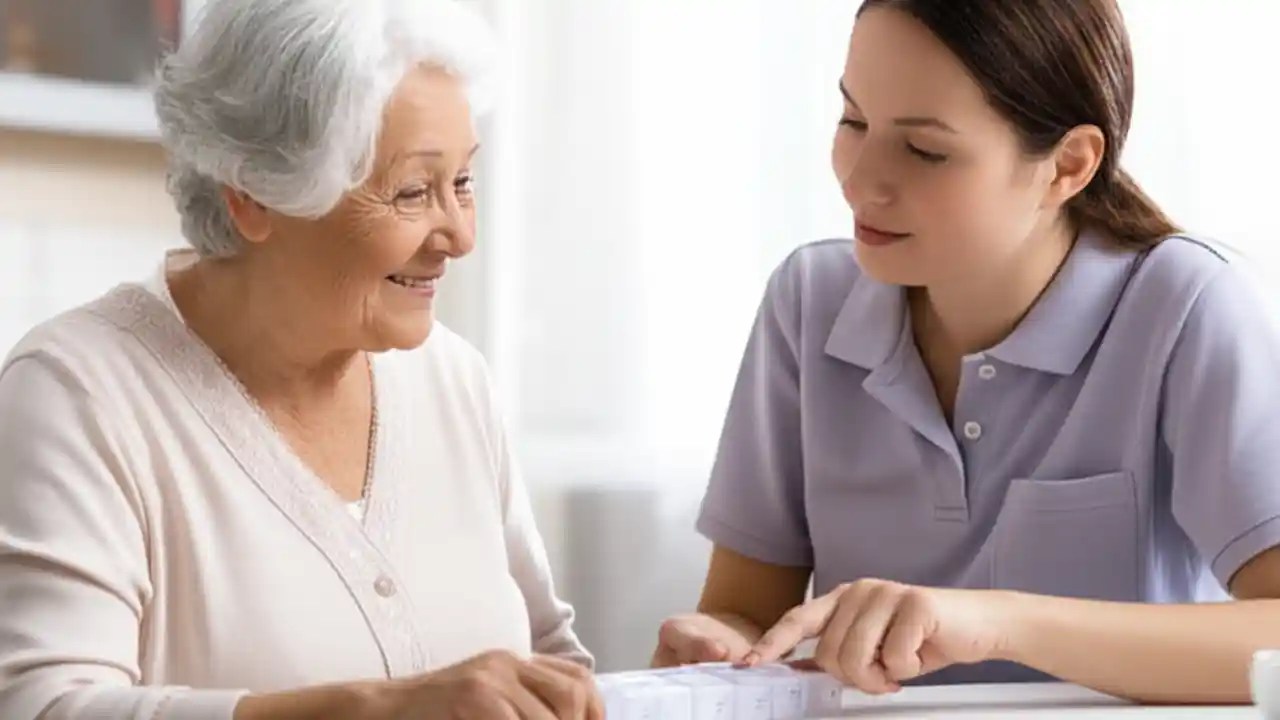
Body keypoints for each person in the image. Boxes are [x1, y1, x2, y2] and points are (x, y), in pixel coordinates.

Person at [654, 0, 1280, 705]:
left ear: (1068, 165)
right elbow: (746, 611)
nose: (860, 182)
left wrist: (1000, 623)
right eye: (854, 121)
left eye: (926, 150)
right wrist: (722, 645)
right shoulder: (809, 302)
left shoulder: (1185, 306)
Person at [0, 1, 603, 718]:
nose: (460, 235)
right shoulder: (79, 393)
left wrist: (696, 681)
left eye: (463, 183)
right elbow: (45, 707)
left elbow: (546, 662)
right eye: (414, 191)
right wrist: (375, 709)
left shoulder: (454, 379)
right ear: (252, 193)